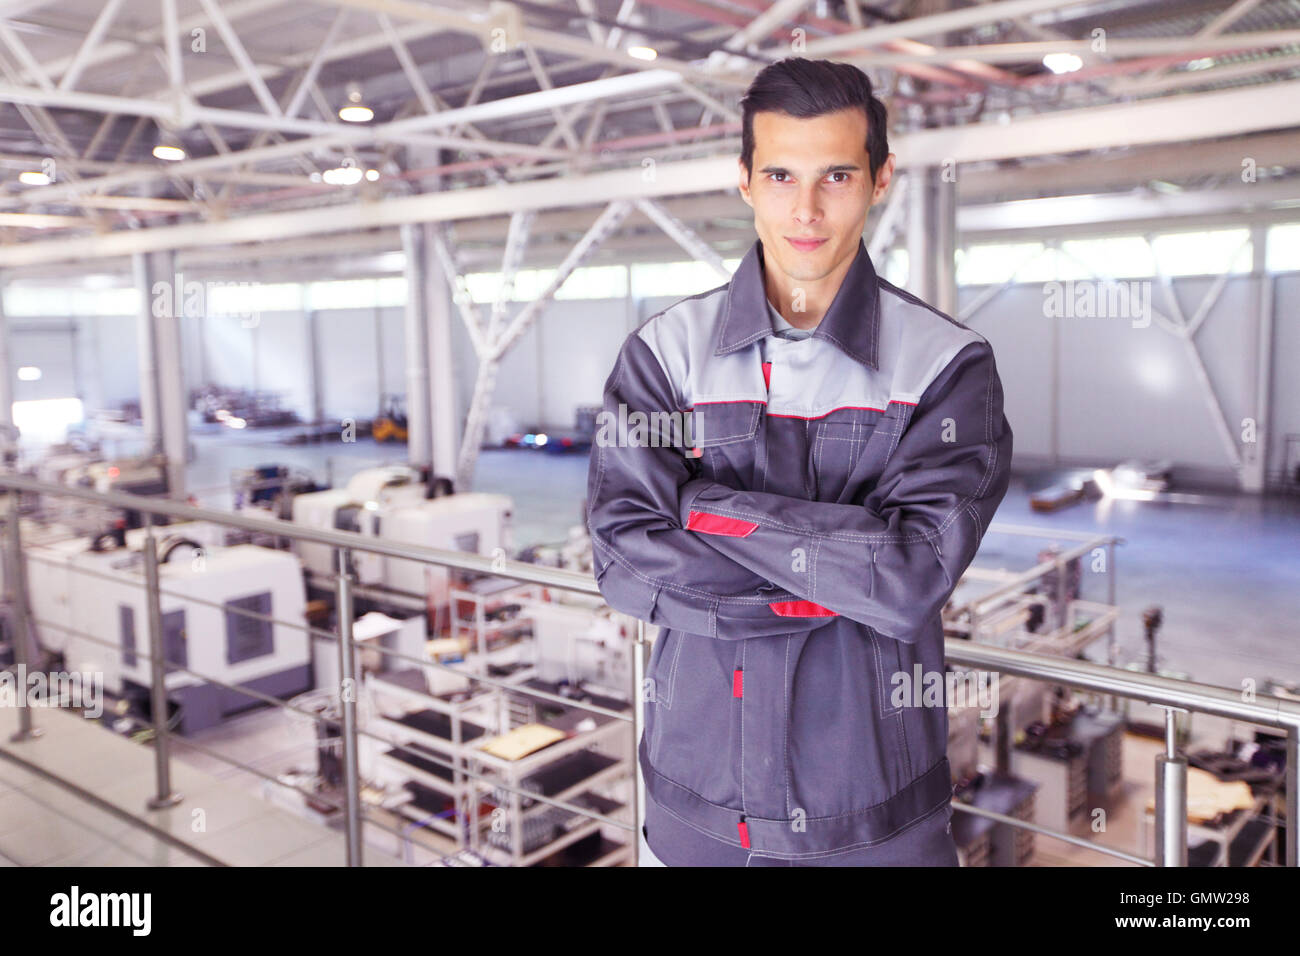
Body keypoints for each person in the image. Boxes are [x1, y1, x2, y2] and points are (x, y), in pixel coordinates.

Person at [586, 57, 1013, 866]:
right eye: (780, 173)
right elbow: (621, 560)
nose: (806, 208)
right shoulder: (663, 356)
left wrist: (702, 509)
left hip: (874, 824)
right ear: (744, 180)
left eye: (837, 175)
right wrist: (835, 579)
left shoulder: (947, 366)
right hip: (692, 806)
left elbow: (914, 574)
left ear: (880, 179)